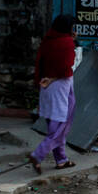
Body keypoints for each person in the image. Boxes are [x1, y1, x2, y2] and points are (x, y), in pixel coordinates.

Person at [29, 14, 78, 173]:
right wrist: (53, 78)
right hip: (60, 87)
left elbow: (40, 62)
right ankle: (38, 154)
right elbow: (66, 68)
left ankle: (61, 159)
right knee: (62, 125)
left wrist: (45, 80)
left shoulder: (48, 40)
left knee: (54, 123)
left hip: (45, 87)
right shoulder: (67, 43)